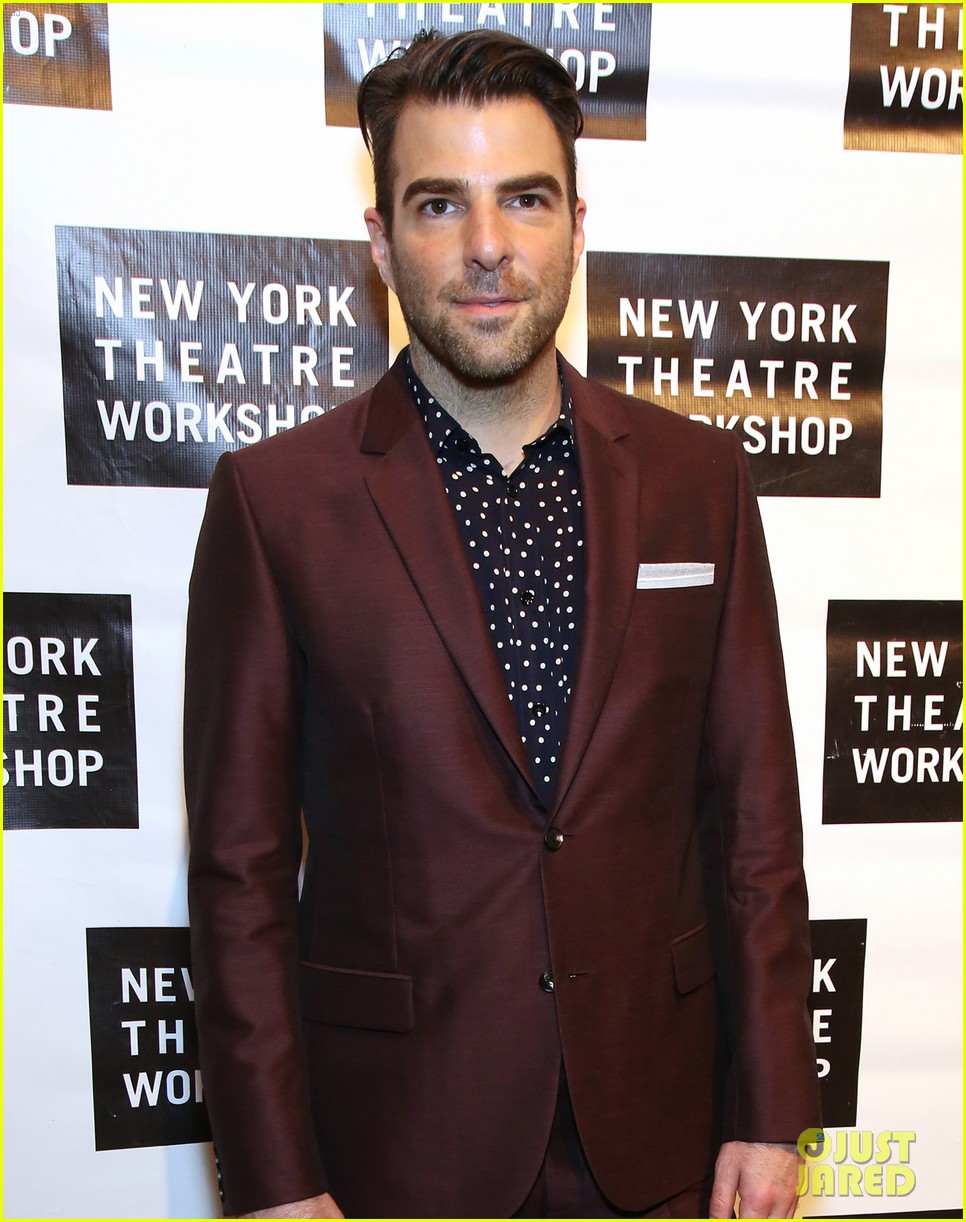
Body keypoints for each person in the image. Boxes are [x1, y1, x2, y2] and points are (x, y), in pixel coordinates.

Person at [184, 29, 820, 1220]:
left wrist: (773, 1107)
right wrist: (275, 1181)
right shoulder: (276, 506)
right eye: (440, 204)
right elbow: (239, 875)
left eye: (524, 198)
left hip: (667, 1141)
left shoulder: (700, 481)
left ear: (577, 223)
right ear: (382, 242)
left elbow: (753, 824)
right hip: (400, 1155)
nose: (487, 245)